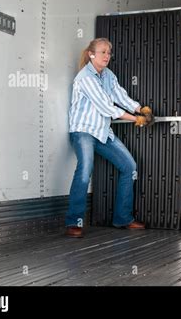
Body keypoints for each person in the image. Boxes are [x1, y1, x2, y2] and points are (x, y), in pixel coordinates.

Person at [66, 38, 154, 238]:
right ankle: (74, 222)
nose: (107, 56)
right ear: (91, 54)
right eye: (103, 52)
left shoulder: (108, 75)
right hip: (83, 131)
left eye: (109, 53)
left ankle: (123, 218)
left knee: (129, 167)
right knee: (85, 169)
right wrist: (136, 119)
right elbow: (107, 106)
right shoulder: (85, 78)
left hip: (102, 132)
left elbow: (120, 96)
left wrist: (141, 108)